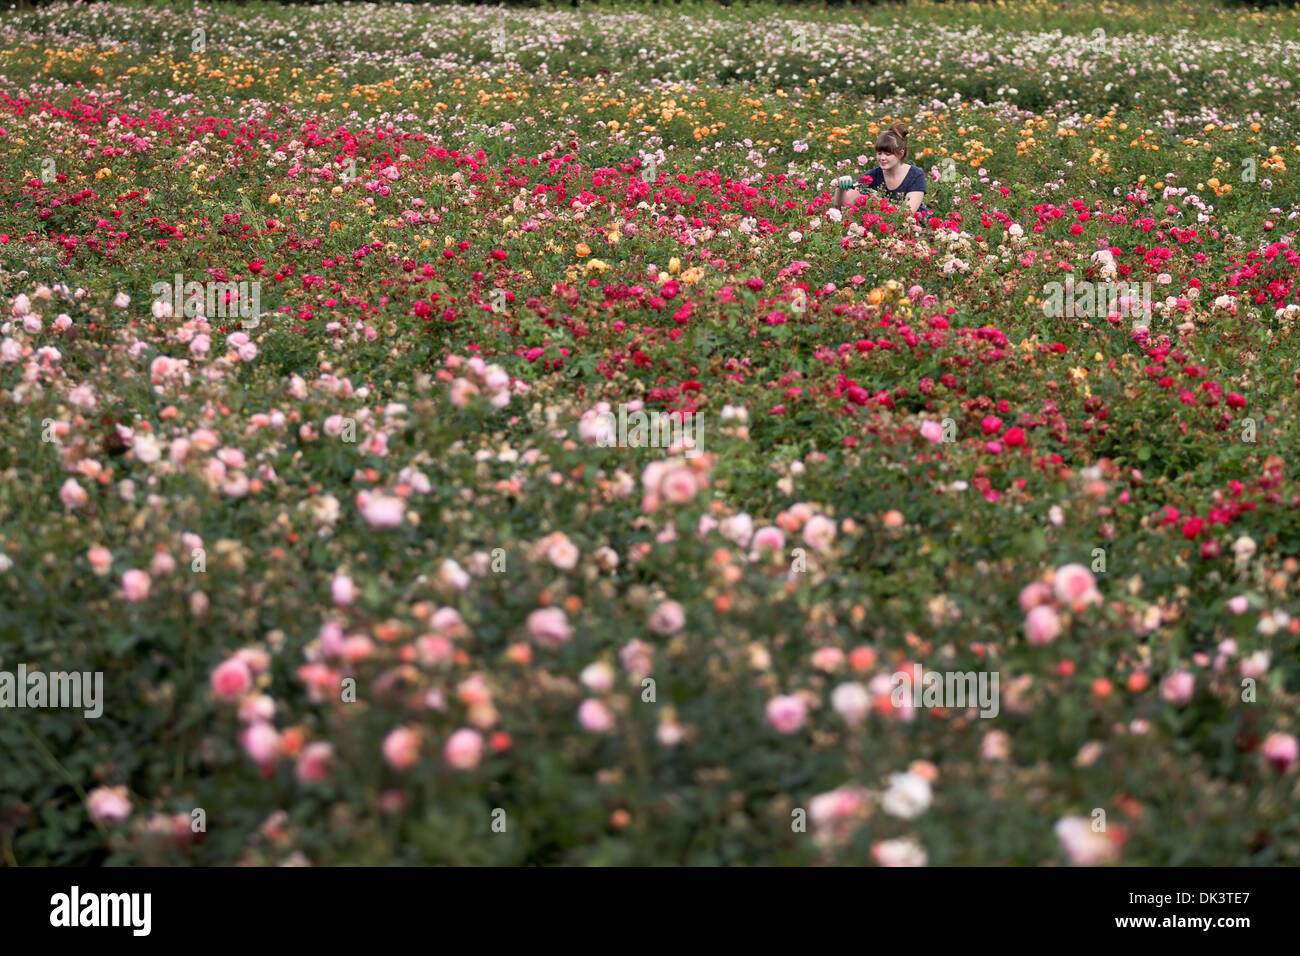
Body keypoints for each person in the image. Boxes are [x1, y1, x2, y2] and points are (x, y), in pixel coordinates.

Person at [832, 123, 931, 221]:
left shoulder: (915, 175)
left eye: (888, 154)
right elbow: (843, 205)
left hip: (916, 229)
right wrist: (841, 188)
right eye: (879, 153)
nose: (882, 158)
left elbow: (906, 214)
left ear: (901, 154)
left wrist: (879, 200)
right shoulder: (873, 176)